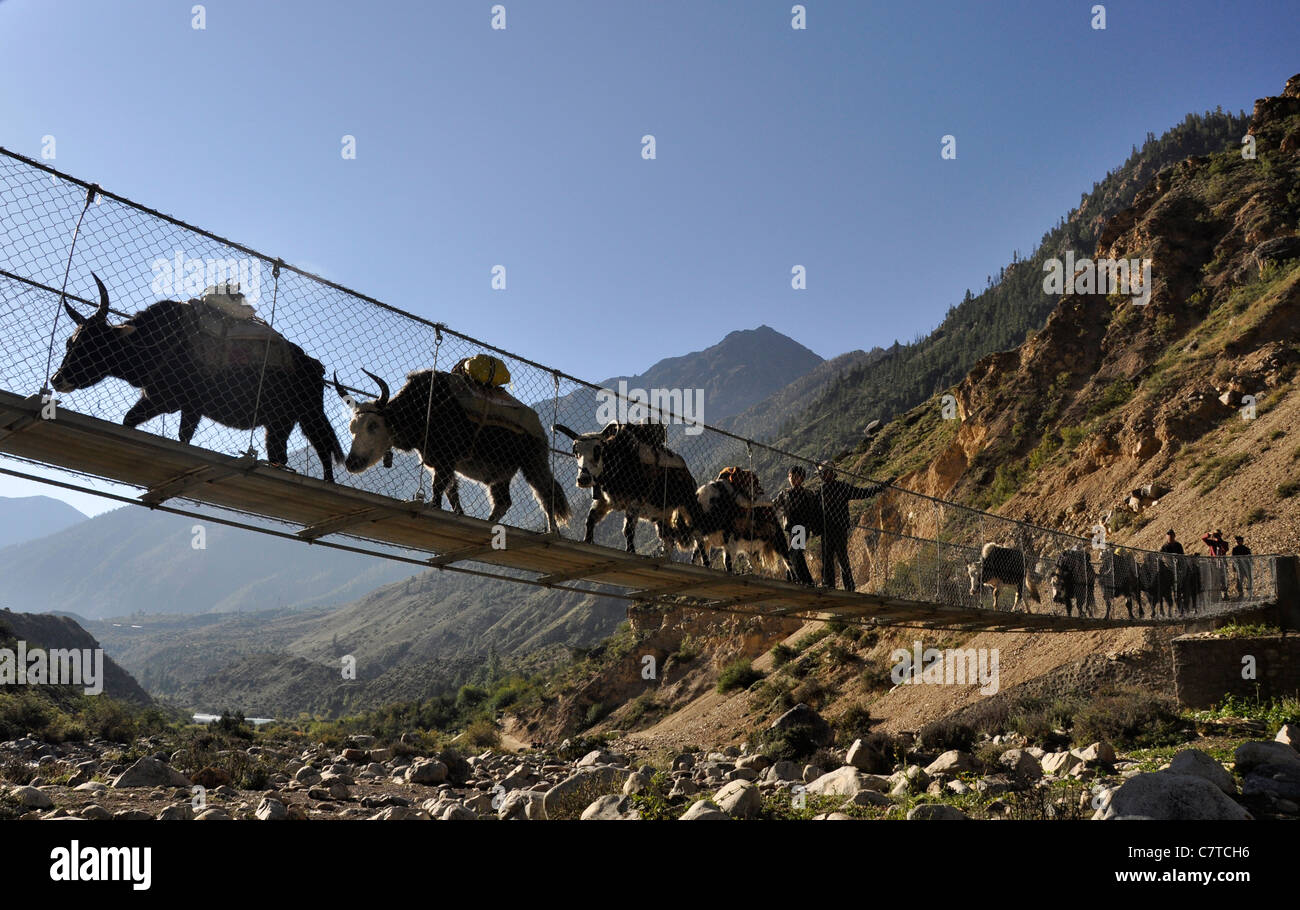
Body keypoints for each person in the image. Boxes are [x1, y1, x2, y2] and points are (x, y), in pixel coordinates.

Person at [815, 462, 888, 592]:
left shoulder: (840, 487)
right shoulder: (820, 492)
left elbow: (861, 493)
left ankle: (848, 587)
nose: (825, 476)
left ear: (832, 473)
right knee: (828, 559)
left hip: (838, 528)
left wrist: (878, 488)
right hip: (827, 529)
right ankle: (830, 586)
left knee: (842, 558)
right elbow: (812, 510)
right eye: (823, 474)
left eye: (826, 473)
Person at [773, 465, 819, 585]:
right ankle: (800, 579)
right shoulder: (785, 494)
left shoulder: (808, 494)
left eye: (796, 477)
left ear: (802, 478)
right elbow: (774, 506)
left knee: (793, 552)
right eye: (790, 476)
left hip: (802, 527)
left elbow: (814, 512)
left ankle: (799, 579)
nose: (792, 479)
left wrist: (814, 527)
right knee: (796, 553)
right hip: (791, 529)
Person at [1201, 529, 1229, 597]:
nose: (1216, 536)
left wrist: (1219, 540)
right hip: (1214, 563)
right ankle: (1215, 594)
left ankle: (1224, 593)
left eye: (1218, 535)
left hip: (1222, 563)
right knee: (1214, 578)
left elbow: (1225, 549)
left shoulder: (1224, 543)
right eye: (1216, 535)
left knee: (1223, 578)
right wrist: (1209, 534)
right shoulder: (1211, 543)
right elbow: (1203, 538)